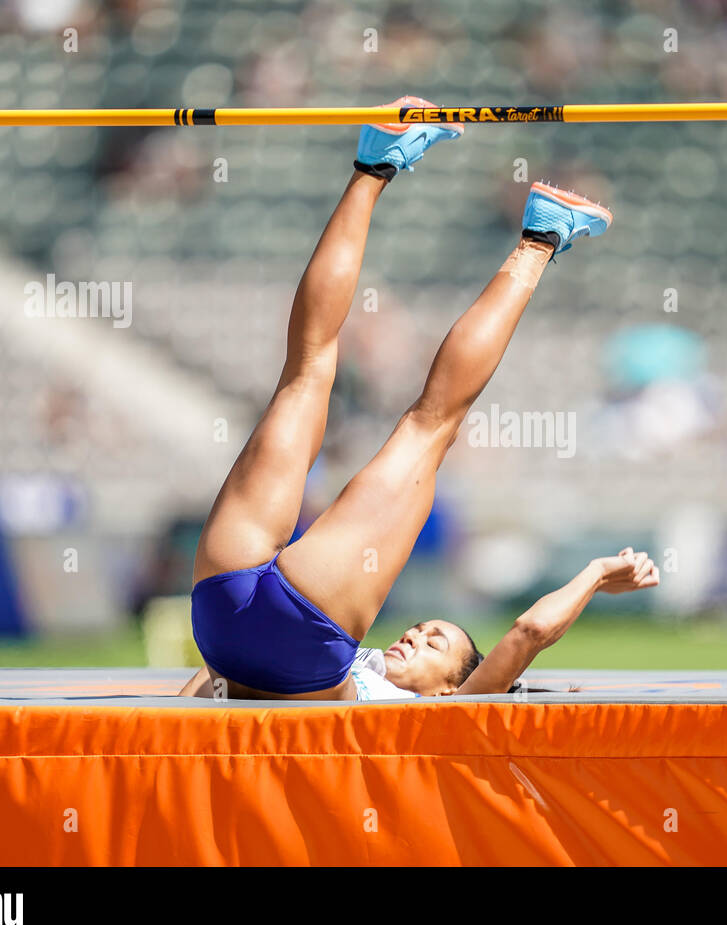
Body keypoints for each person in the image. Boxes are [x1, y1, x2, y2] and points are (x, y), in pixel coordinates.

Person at [178, 97, 657, 702]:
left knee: (387, 406)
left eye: (433, 645)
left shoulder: (443, 704)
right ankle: (389, 167)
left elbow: (529, 633)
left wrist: (595, 575)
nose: (415, 637)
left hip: (273, 636)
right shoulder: (407, 689)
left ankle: (501, 217)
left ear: (445, 689)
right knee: (339, 386)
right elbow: (528, 634)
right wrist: (591, 575)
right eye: (432, 634)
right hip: (224, 618)